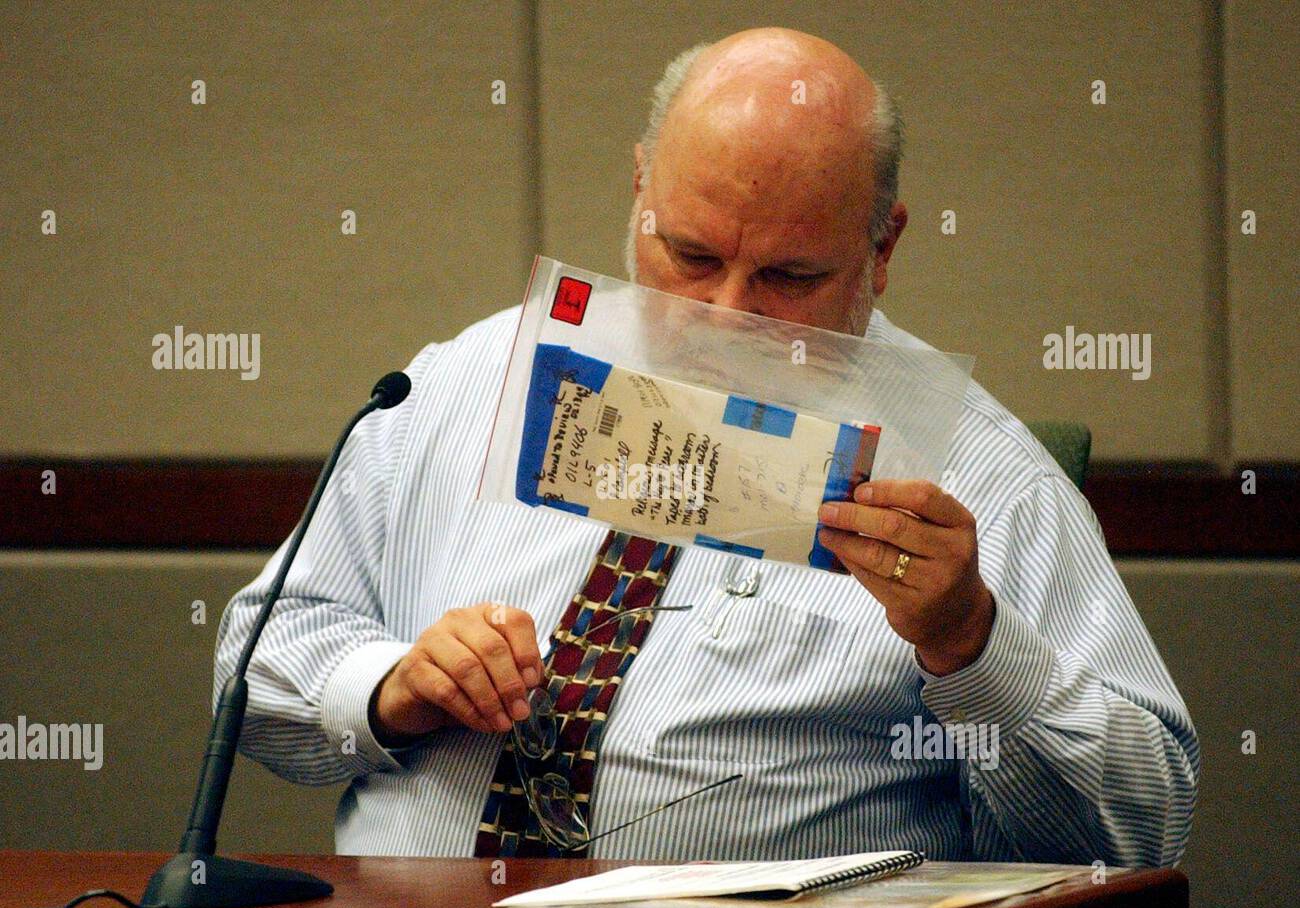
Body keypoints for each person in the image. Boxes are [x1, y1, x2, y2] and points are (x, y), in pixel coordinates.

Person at [215, 28, 1198, 866]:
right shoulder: (465, 383)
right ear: (640, 187)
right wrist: (390, 687)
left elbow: (1145, 829)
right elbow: (251, 667)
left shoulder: (987, 481)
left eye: (788, 275)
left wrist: (971, 641)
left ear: (883, 247)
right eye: (689, 256)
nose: (727, 316)